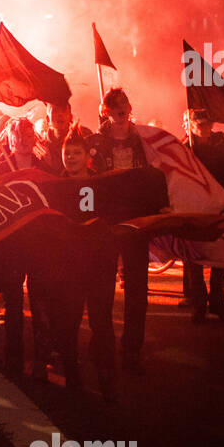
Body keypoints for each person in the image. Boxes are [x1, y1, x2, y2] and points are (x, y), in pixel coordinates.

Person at [88, 88, 151, 374]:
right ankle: (102, 344)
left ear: (130, 106)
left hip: (137, 223)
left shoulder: (145, 142)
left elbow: (160, 173)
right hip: (107, 223)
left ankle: (131, 351)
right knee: (102, 287)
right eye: (113, 105)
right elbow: (86, 181)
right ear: (105, 110)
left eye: (123, 103)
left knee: (137, 290)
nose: (120, 108)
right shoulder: (95, 144)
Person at [182, 107, 224, 321]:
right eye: (200, 124)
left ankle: (217, 302)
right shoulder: (185, 148)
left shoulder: (223, 146)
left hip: (221, 208)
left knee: (221, 257)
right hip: (194, 209)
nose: (205, 128)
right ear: (191, 125)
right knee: (194, 259)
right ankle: (199, 305)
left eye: (208, 123)